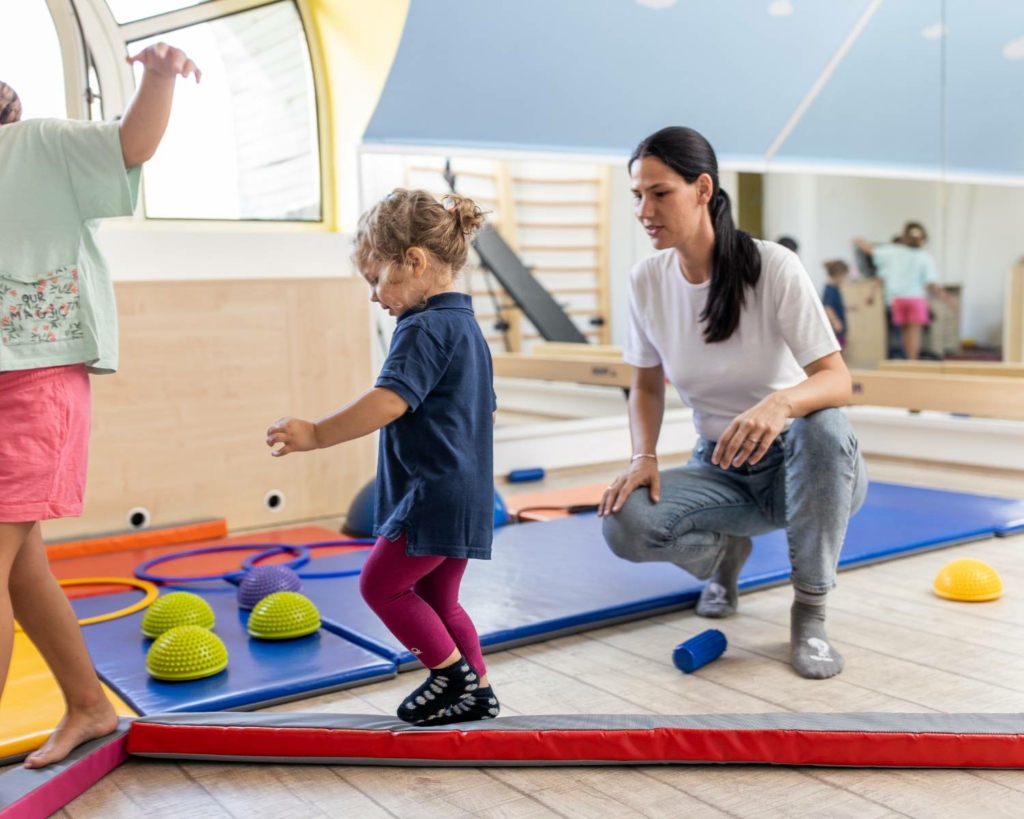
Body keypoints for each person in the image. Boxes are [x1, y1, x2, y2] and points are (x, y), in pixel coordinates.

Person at [599, 126, 867, 680]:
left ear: (702, 189)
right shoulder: (647, 279)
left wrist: (782, 404)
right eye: (637, 195)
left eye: (659, 193)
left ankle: (811, 615)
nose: (645, 209)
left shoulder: (772, 266)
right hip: (723, 466)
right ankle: (726, 556)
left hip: (807, 465)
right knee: (623, 522)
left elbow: (838, 380)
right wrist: (641, 458)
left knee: (824, 424)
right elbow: (646, 383)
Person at [0, 44, 200, 768]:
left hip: (32, 379)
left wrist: (157, 76)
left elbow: (131, 144)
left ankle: (88, 704)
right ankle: (88, 703)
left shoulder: (36, 145)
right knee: (22, 568)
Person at [266, 189, 500, 724]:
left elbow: (389, 401)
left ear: (414, 262)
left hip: (433, 491)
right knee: (441, 598)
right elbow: (484, 414)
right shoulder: (466, 327)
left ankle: (451, 676)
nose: (374, 296)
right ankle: (479, 690)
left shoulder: (421, 327)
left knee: (380, 585)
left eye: (376, 279)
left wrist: (317, 433)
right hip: (467, 491)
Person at [853, 223, 956, 360]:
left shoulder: (892, 251)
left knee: (904, 332)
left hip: (897, 300)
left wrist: (858, 240)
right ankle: (912, 362)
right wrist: (946, 299)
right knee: (914, 333)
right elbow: (931, 283)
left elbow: (870, 250)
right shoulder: (924, 257)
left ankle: (908, 360)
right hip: (915, 299)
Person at [822, 260, 849, 348]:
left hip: (838, 323)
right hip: (835, 327)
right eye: (844, 276)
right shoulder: (830, 289)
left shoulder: (834, 288)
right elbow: (828, 307)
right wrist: (836, 322)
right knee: (838, 347)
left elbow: (836, 305)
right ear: (838, 275)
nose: (845, 279)